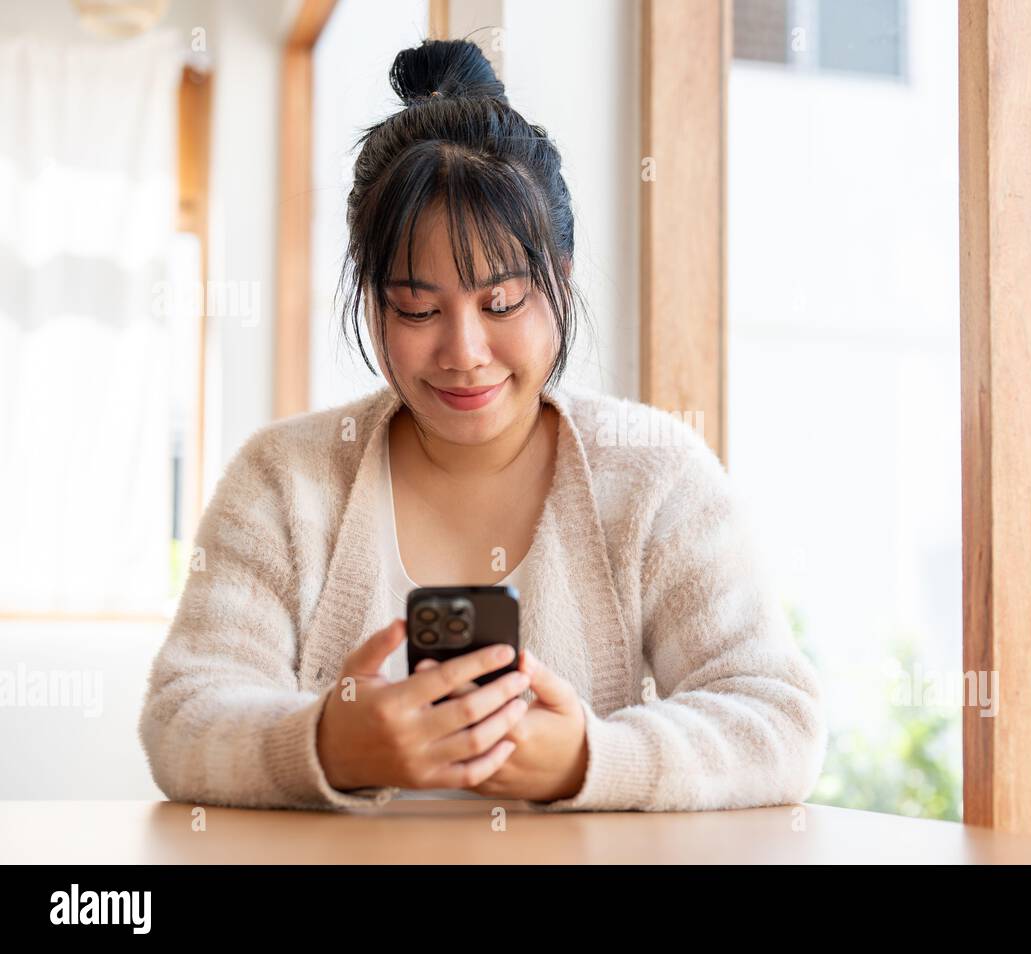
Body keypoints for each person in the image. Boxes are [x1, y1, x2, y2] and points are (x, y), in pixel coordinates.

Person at [137, 36, 827, 812]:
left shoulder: (654, 471)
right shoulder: (284, 478)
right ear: (371, 300)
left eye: (501, 303)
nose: (464, 354)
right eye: (418, 307)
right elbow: (181, 718)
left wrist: (592, 759)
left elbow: (781, 723)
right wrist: (328, 743)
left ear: (559, 280)